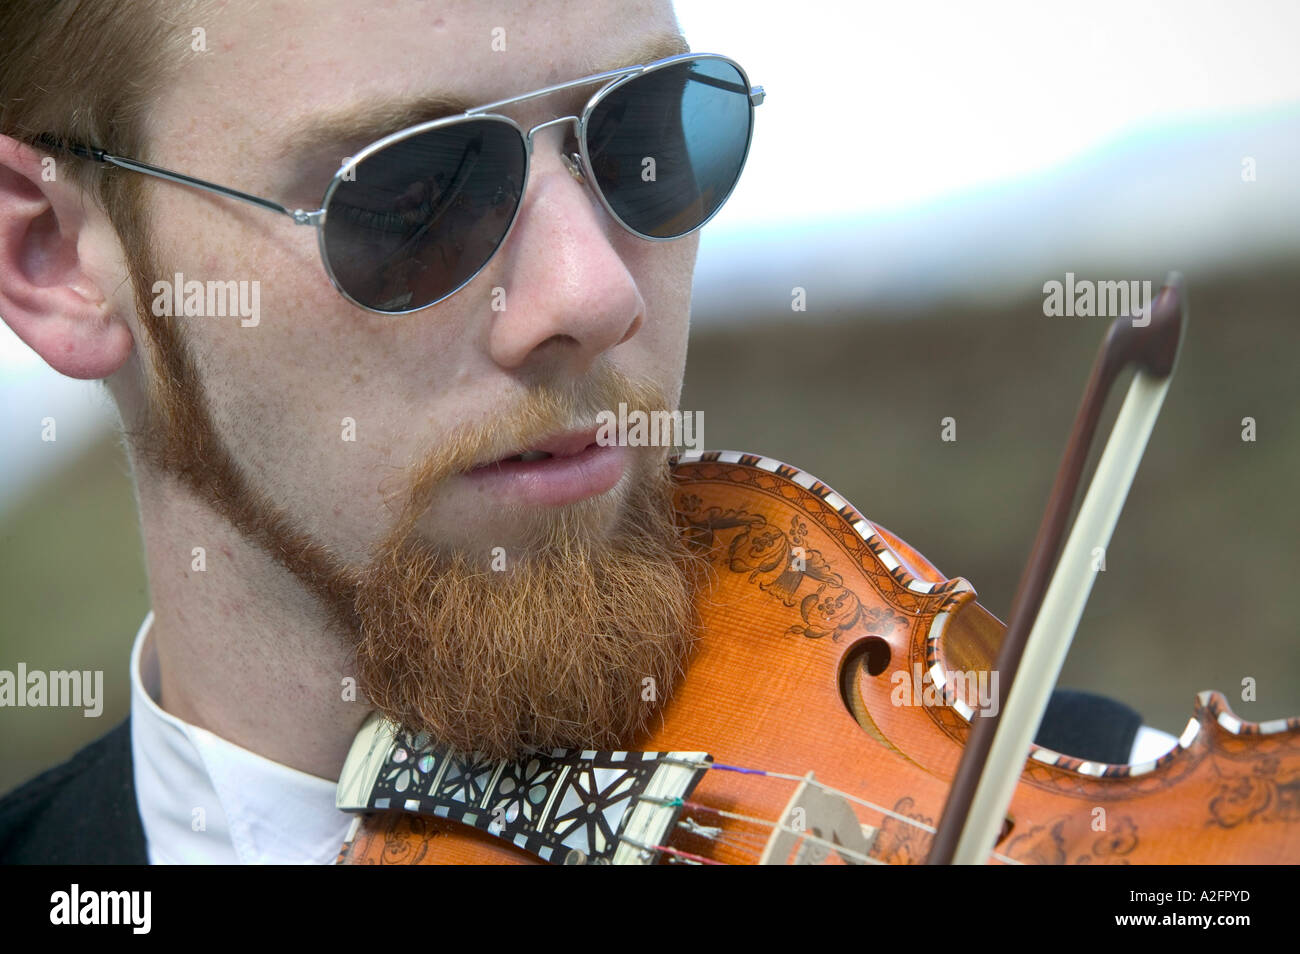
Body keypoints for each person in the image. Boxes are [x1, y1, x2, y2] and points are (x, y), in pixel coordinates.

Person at [0, 0, 1171, 865]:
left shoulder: (1092, 812)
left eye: (641, 140)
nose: (594, 293)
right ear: (53, 258)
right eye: (410, 193)